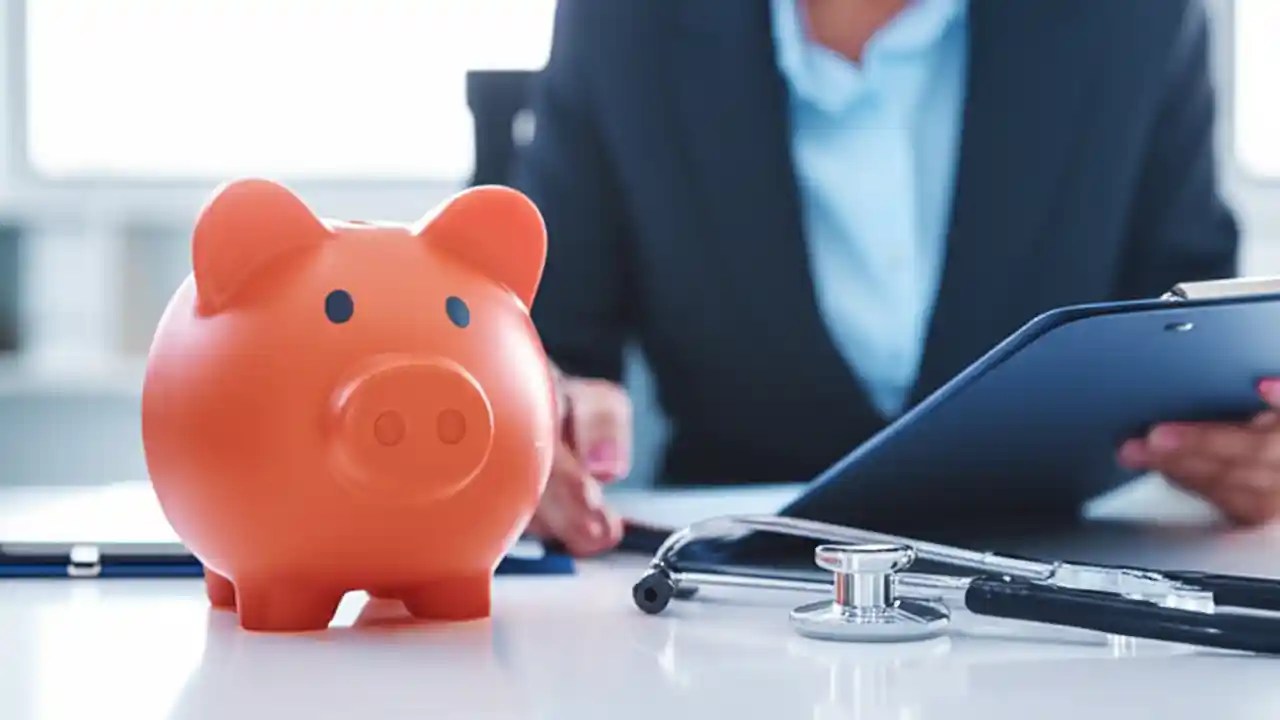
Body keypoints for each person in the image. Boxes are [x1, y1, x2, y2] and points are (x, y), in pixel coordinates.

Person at [511, 0, 1273, 557]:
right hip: (732, 578)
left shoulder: (1137, 18)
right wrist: (539, 412)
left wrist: (1245, 447)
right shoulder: (621, 23)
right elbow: (551, 336)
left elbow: (1188, 322)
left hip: (1065, 577)